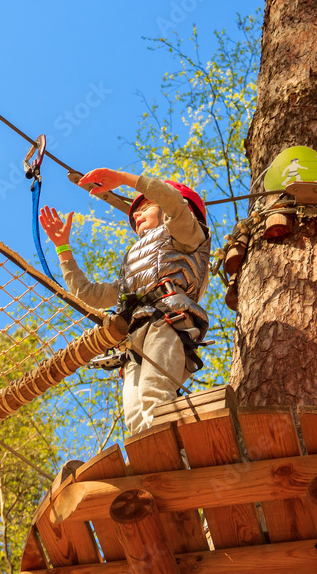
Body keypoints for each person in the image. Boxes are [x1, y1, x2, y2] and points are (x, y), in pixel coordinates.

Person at [39, 168, 211, 434]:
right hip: (134, 336)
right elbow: (90, 294)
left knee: (155, 393)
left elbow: (173, 202)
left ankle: (177, 457)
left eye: (145, 207)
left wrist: (123, 180)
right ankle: (151, 462)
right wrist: (63, 249)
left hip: (167, 321)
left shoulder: (187, 236)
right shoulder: (132, 265)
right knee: (133, 415)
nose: (137, 215)